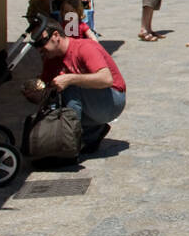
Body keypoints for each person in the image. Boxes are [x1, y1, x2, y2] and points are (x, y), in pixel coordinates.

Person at [28, 23, 126, 154]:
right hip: (94, 105)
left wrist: (70, 79)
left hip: (112, 101)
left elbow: (106, 79)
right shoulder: (50, 58)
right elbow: (46, 92)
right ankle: (91, 132)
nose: (40, 49)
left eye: (42, 42)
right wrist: (34, 93)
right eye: (36, 45)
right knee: (57, 97)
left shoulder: (84, 47)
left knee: (69, 85)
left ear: (56, 35)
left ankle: (71, 143)